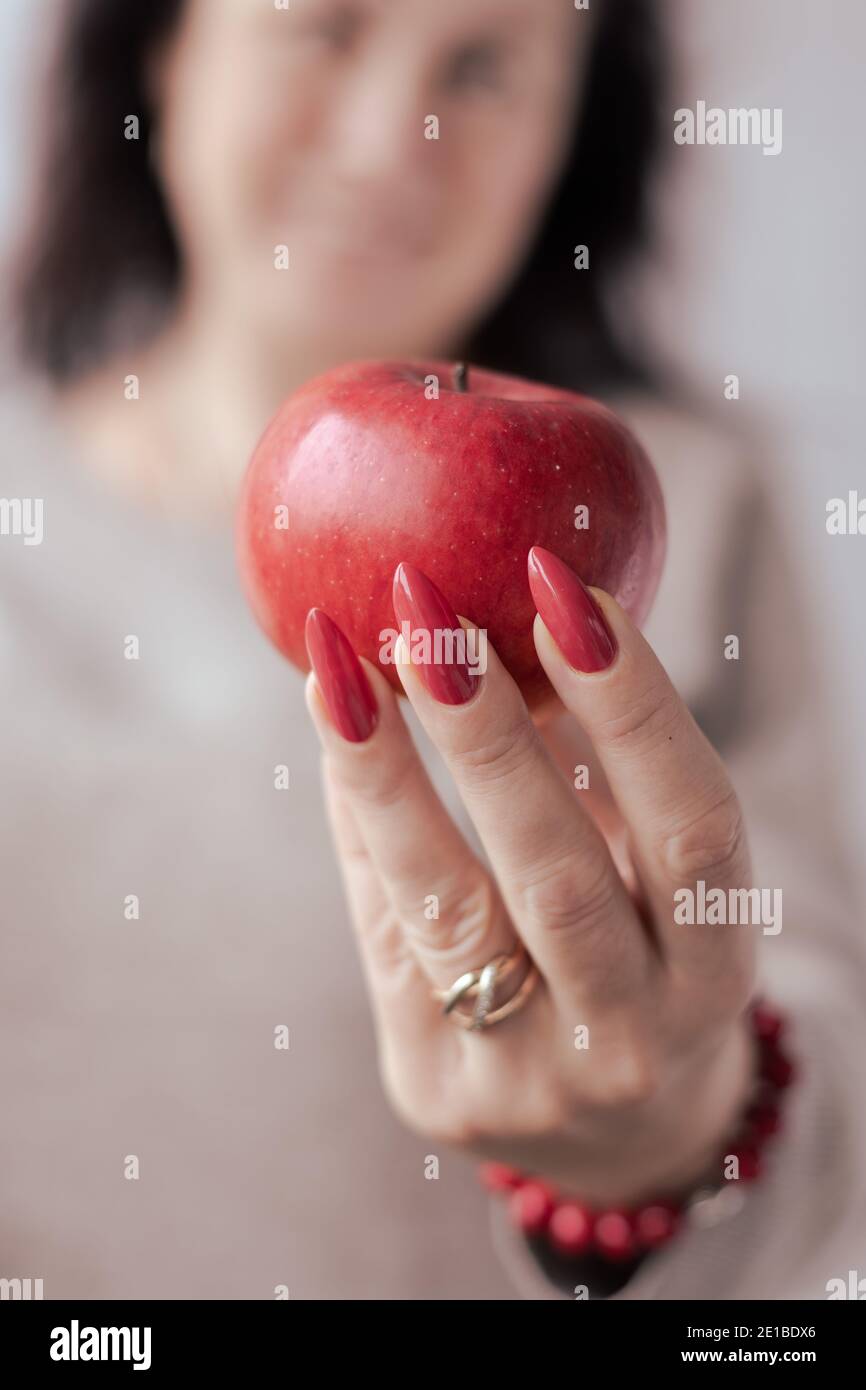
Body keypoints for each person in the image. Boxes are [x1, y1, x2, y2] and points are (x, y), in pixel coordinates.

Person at [1, 0, 863, 1300]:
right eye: (324, 30)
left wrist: (662, 1147)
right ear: (165, 53)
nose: (386, 141)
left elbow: (822, 1179)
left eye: (483, 70)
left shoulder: (670, 513)